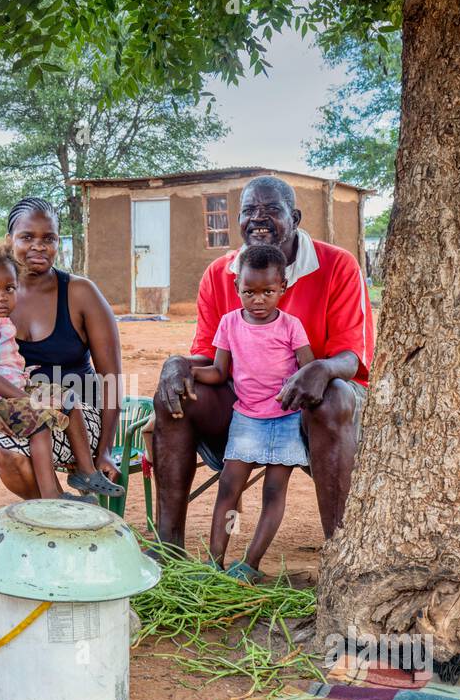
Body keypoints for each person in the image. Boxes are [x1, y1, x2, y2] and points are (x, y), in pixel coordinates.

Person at [153, 175, 374, 552]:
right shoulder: (220, 274)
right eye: (250, 210)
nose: (259, 218)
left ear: (296, 218)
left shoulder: (337, 265)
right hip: (248, 409)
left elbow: (351, 357)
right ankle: (168, 547)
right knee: (174, 395)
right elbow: (210, 357)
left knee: (334, 394)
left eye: (272, 210)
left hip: (314, 409)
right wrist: (178, 364)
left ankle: (342, 551)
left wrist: (320, 369)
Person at [0, 198, 124, 583]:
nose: (39, 246)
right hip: (7, 404)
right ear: (9, 239)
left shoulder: (80, 293)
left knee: (9, 451)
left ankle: (58, 532)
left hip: (73, 410)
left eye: (49, 238)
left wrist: (106, 448)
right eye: (27, 236)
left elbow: (111, 377)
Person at [0, 239, 125, 501]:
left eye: (9, 289)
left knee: (67, 397)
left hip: (1, 393)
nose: (2, 296)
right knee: (39, 419)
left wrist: (24, 375)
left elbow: (4, 364)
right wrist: (27, 397)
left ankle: (86, 472)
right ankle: (53, 494)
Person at [193, 244, 315, 581]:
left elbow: (308, 371)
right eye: (249, 292)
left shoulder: (291, 326)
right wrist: (186, 371)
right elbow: (218, 372)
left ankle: (251, 563)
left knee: (274, 493)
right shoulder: (230, 323)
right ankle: (215, 562)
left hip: (287, 419)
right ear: (237, 288)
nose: (258, 300)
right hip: (246, 418)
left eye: (267, 292)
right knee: (229, 489)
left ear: (282, 289)